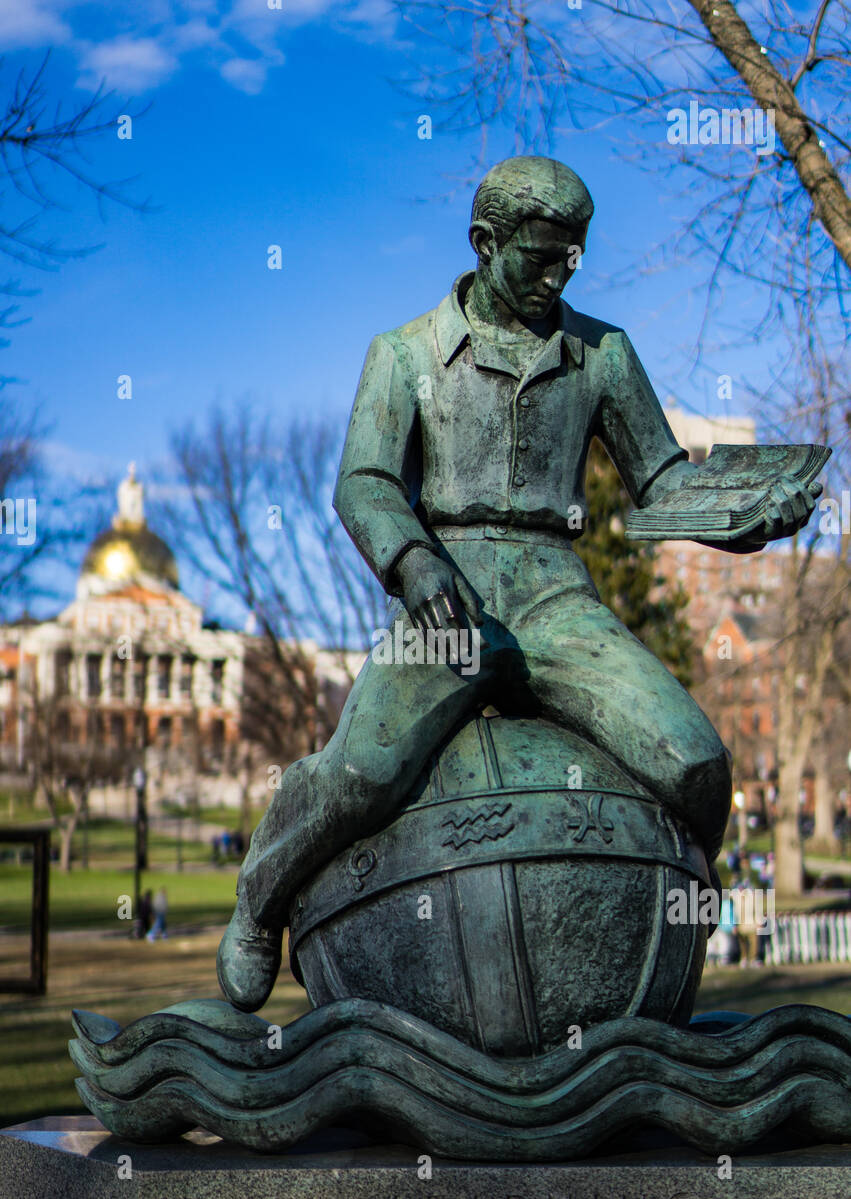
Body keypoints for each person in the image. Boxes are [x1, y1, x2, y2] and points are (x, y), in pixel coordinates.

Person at [217, 156, 821, 1013]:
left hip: (553, 592)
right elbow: (364, 481)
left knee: (697, 762)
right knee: (362, 774)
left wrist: (745, 513)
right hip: (448, 588)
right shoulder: (404, 354)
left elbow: (658, 484)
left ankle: (676, 907)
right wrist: (413, 560)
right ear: (483, 243)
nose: (557, 275)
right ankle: (258, 901)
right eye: (538, 256)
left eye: (571, 257)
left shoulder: (601, 353)